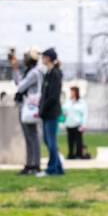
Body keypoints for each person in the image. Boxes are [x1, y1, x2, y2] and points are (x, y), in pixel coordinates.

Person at [8, 47, 44, 174]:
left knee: (32, 136)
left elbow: (20, 86)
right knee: (28, 136)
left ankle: (35, 164)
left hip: (29, 107)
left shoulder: (34, 73)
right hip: (26, 107)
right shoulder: (30, 72)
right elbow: (19, 82)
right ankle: (30, 163)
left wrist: (16, 69)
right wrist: (15, 68)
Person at [36, 47, 64, 176]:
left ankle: (51, 168)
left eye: (44, 57)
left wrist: (43, 109)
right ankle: (58, 167)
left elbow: (53, 96)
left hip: (51, 113)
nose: (42, 59)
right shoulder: (48, 73)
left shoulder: (55, 74)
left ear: (48, 58)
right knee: (48, 141)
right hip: (46, 113)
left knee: (51, 141)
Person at [64, 85, 89, 159]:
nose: (71, 93)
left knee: (78, 141)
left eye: (72, 92)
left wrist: (84, 124)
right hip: (69, 123)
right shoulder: (68, 101)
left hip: (78, 124)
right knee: (70, 140)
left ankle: (79, 154)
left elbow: (85, 114)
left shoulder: (81, 102)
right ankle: (71, 154)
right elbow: (64, 110)